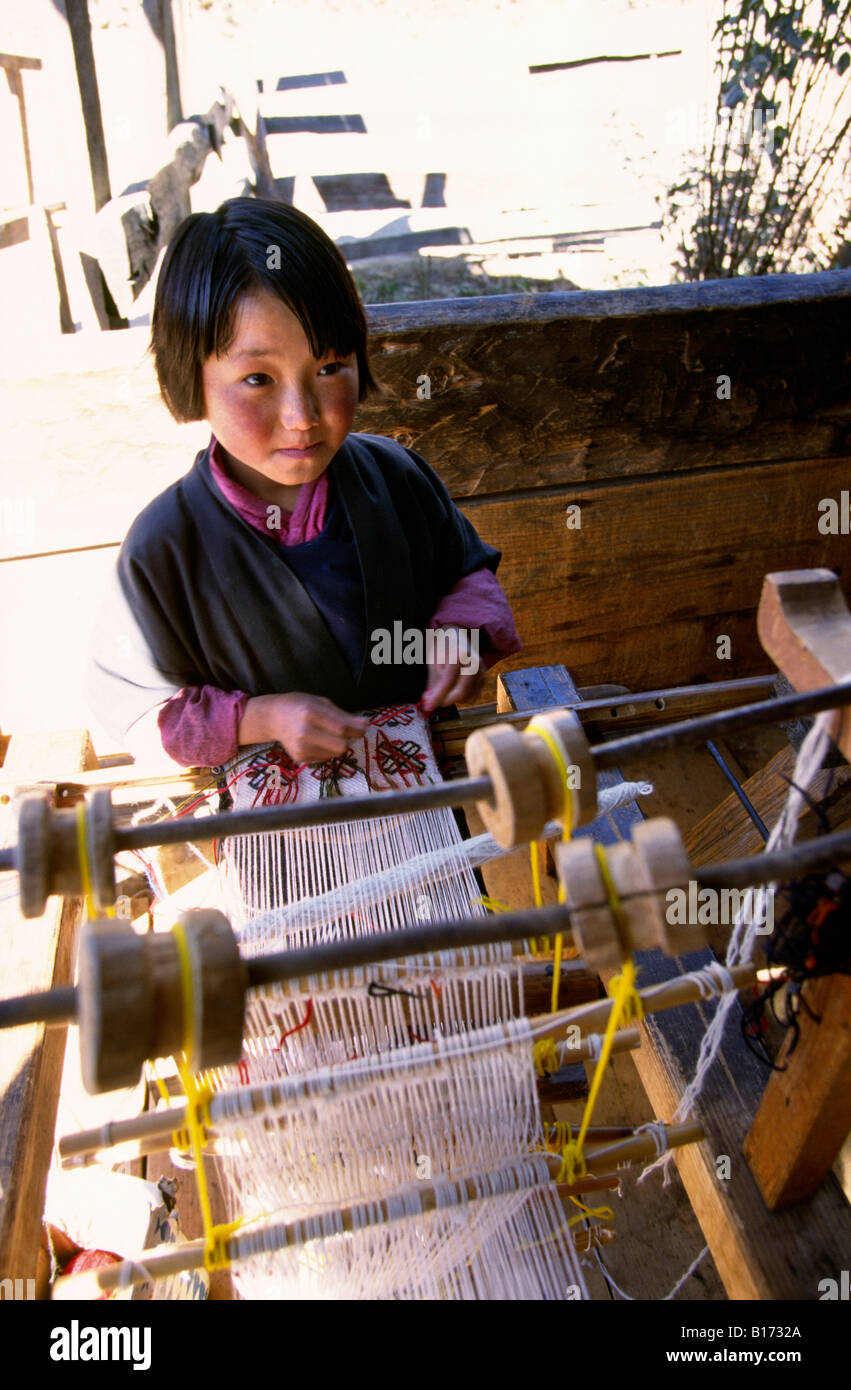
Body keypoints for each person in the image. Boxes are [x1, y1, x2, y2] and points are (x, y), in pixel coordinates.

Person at [87, 197, 521, 771]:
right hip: (278, 828)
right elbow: (142, 714)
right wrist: (264, 718)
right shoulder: (165, 548)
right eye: (258, 378)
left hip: (422, 788)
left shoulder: (398, 480)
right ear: (190, 378)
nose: (302, 416)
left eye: (328, 368)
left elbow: (466, 577)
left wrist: (458, 641)